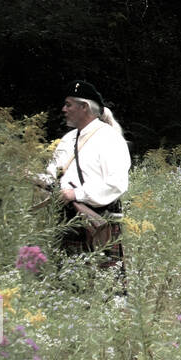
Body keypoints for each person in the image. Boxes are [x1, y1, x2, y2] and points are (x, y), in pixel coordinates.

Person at [38, 80, 130, 270]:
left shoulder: (109, 138)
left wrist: (76, 194)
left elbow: (116, 183)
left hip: (98, 220)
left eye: (68, 104)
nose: (64, 109)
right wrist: (34, 178)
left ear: (84, 107)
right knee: (67, 286)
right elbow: (54, 176)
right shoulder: (68, 139)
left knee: (106, 290)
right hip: (67, 219)